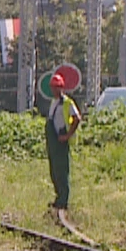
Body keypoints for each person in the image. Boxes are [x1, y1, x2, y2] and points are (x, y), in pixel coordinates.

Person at [42, 73, 82, 210]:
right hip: (52, 142)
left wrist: (67, 135)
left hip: (61, 140)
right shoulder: (53, 102)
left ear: (61, 88)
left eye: (57, 87)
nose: (54, 90)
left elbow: (77, 118)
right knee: (54, 171)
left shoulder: (67, 103)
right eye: (53, 87)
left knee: (62, 171)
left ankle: (63, 201)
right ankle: (58, 198)